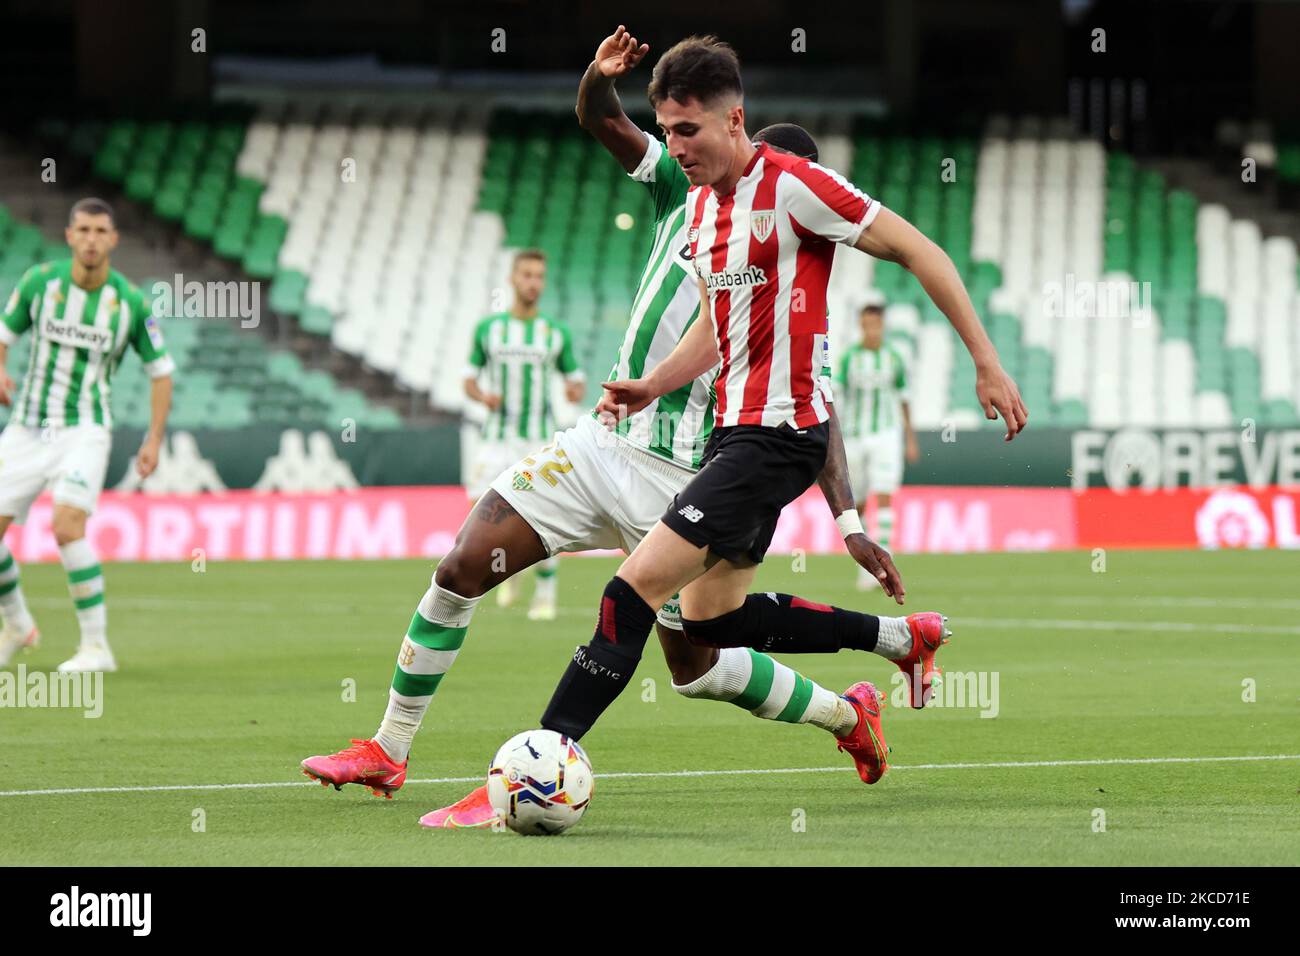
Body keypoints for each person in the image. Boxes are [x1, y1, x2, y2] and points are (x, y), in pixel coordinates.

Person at [300, 26, 918, 827]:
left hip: (685, 482)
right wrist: (596, 74)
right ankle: (388, 748)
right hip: (601, 446)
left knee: (696, 666)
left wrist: (848, 519)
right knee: (460, 566)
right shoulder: (682, 190)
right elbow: (602, 118)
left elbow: (816, 407)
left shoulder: (792, 287)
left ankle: (847, 714)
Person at [530, 34, 1025, 786]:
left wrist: (986, 363)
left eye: (686, 130)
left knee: (628, 591)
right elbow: (713, 328)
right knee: (712, 625)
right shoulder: (703, 211)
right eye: (666, 131)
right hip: (734, 435)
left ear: (735, 121)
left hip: (780, 436)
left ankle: (543, 758)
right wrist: (653, 384)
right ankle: (899, 639)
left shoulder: (796, 186)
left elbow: (922, 250)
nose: (675, 146)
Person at [0, 198, 174, 672]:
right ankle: (17, 623)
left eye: (101, 230)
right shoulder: (40, 284)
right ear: (70, 235)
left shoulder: (130, 303)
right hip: (27, 427)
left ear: (113, 239)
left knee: (66, 525)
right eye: (83, 229)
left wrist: (153, 439)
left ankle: (97, 647)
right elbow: (4, 334)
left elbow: (162, 372)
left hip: (85, 428)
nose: (92, 239)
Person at [462, 248, 585, 620]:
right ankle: (508, 572)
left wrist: (573, 391)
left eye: (539, 277)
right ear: (513, 279)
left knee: (547, 514)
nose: (534, 283)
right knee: (477, 511)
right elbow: (468, 380)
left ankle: (545, 592)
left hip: (538, 439)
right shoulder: (489, 330)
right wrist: (483, 396)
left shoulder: (555, 332)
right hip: (497, 438)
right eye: (527, 275)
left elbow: (576, 380)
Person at [837, 295, 920, 589]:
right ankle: (866, 561)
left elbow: (904, 398)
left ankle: (886, 561)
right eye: (867, 324)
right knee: (856, 502)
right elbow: (838, 397)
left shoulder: (894, 358)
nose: (872, 330)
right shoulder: (849, 358)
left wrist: (910, 438)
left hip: (886, 434)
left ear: (882, 326)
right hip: (856, 436)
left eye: (876, 325)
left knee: (884, 494)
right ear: (861, 325)